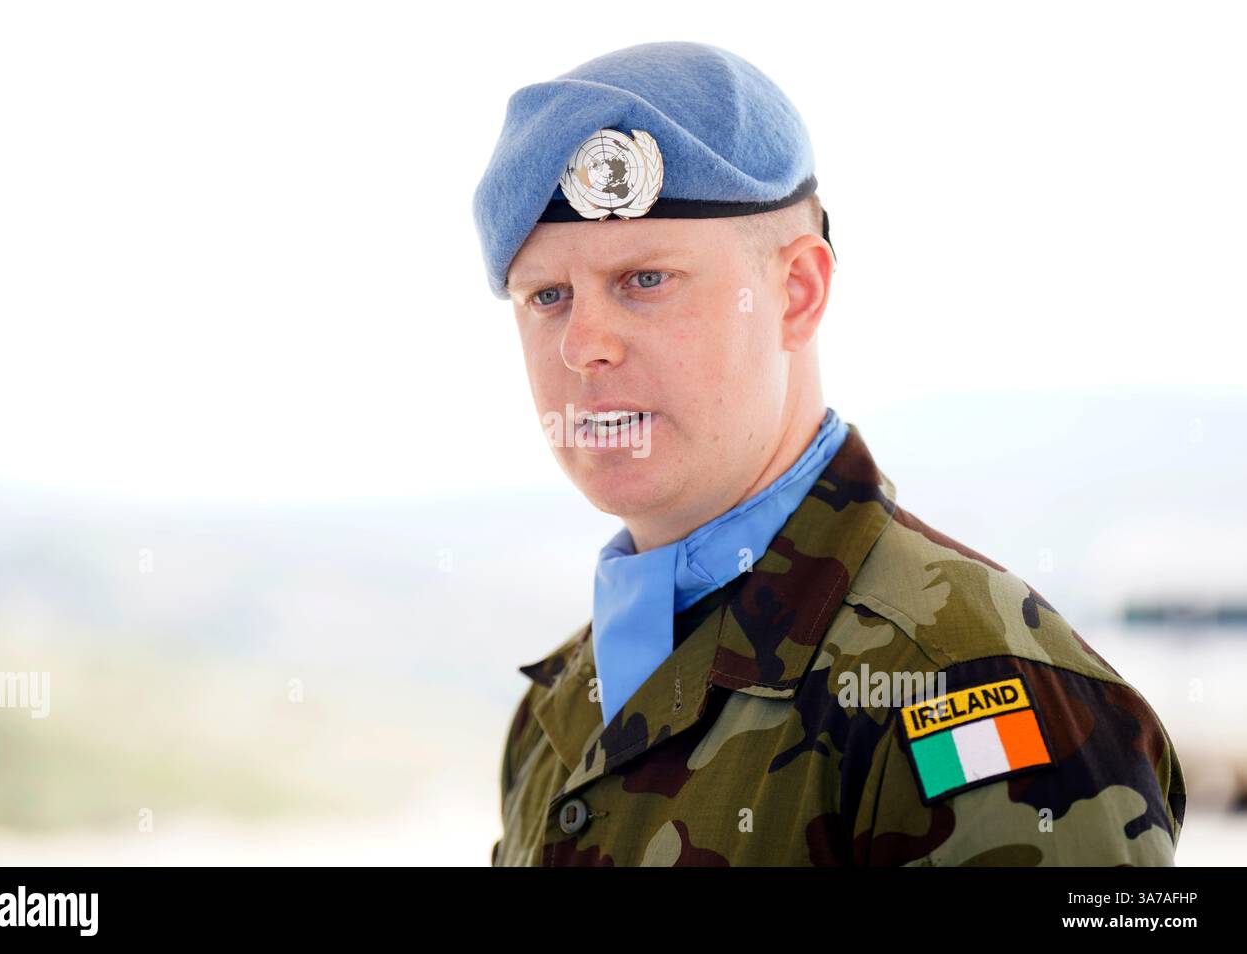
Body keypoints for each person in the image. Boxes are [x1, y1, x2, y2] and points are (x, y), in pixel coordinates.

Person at [471, 40, 1185, 866]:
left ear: (797, 293)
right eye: (547, 296)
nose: (584, 346)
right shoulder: (562, 705)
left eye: (645, 280)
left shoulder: (961, 685)